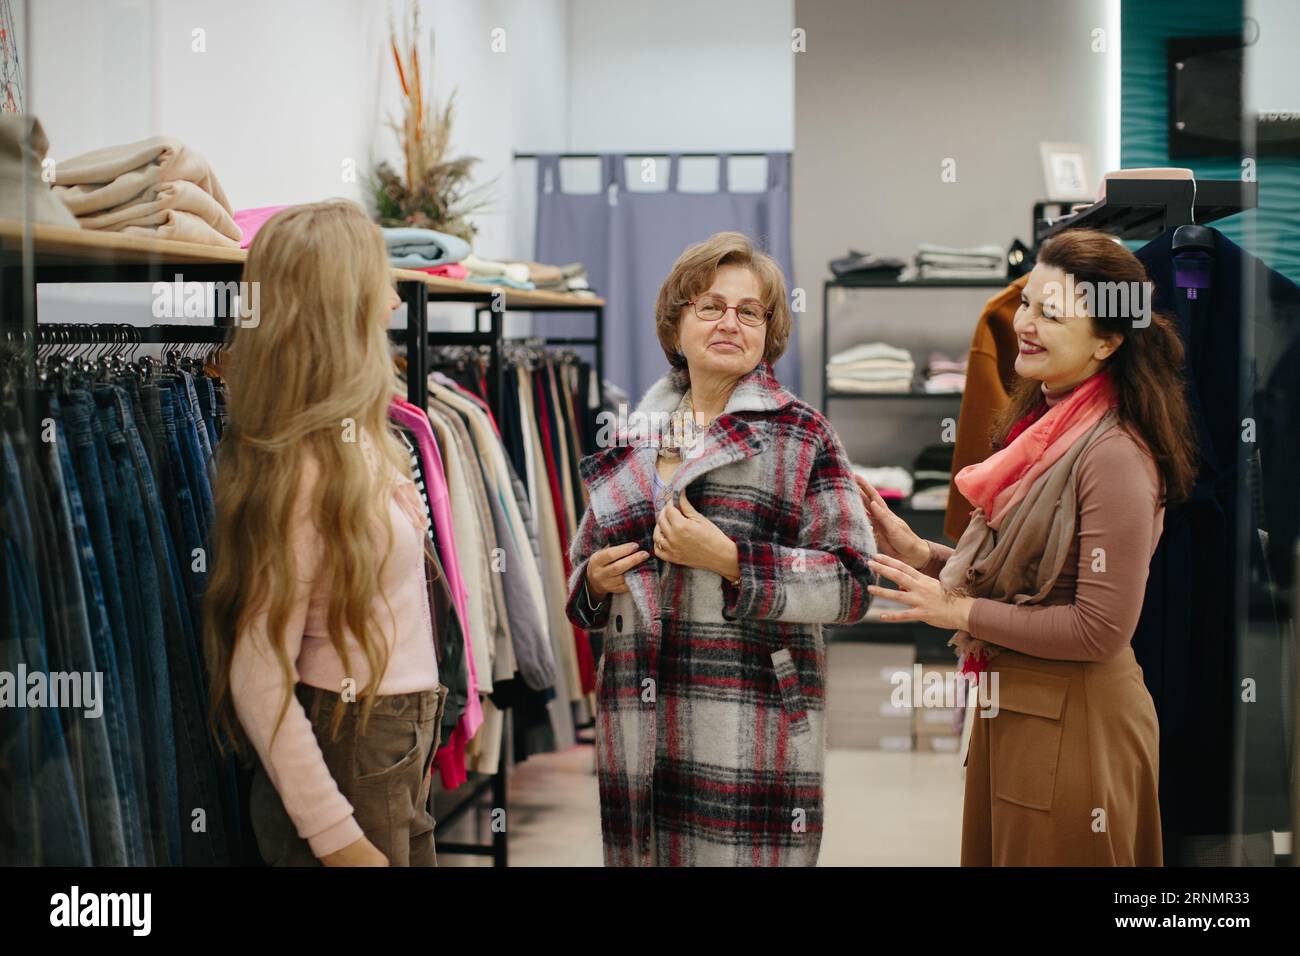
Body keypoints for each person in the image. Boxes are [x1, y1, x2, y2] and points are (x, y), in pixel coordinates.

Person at [857, 227, 1196, 866]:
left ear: (1108, 338)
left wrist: (959, 612)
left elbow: (1099, 627)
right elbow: (1023, 577)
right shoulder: (1048, 428)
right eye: (1026, 305)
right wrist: (920, 553)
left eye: (1052, 313)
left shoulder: (1113, 454)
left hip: (1075, 729)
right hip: (1023, 714)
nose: (1026, 325)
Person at [566, 231, 877, 866]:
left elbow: (852, 583)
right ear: (676, 322)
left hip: (747, 727)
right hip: (638, 729)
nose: (729, 322)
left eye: (749, 310)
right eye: (710, 306)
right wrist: (594, 582)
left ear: (769, 329)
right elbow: (580, 581)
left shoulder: (801, 435)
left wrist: (732, 561)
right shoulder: (631, 439)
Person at [204, 200, 448, 867]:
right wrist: (337, 838)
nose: (397, 302)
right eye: (382, 283)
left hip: (392, 751)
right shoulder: (303, 469)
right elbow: (259, 673)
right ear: (338, 307)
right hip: (350, 760)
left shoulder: (361, 439)